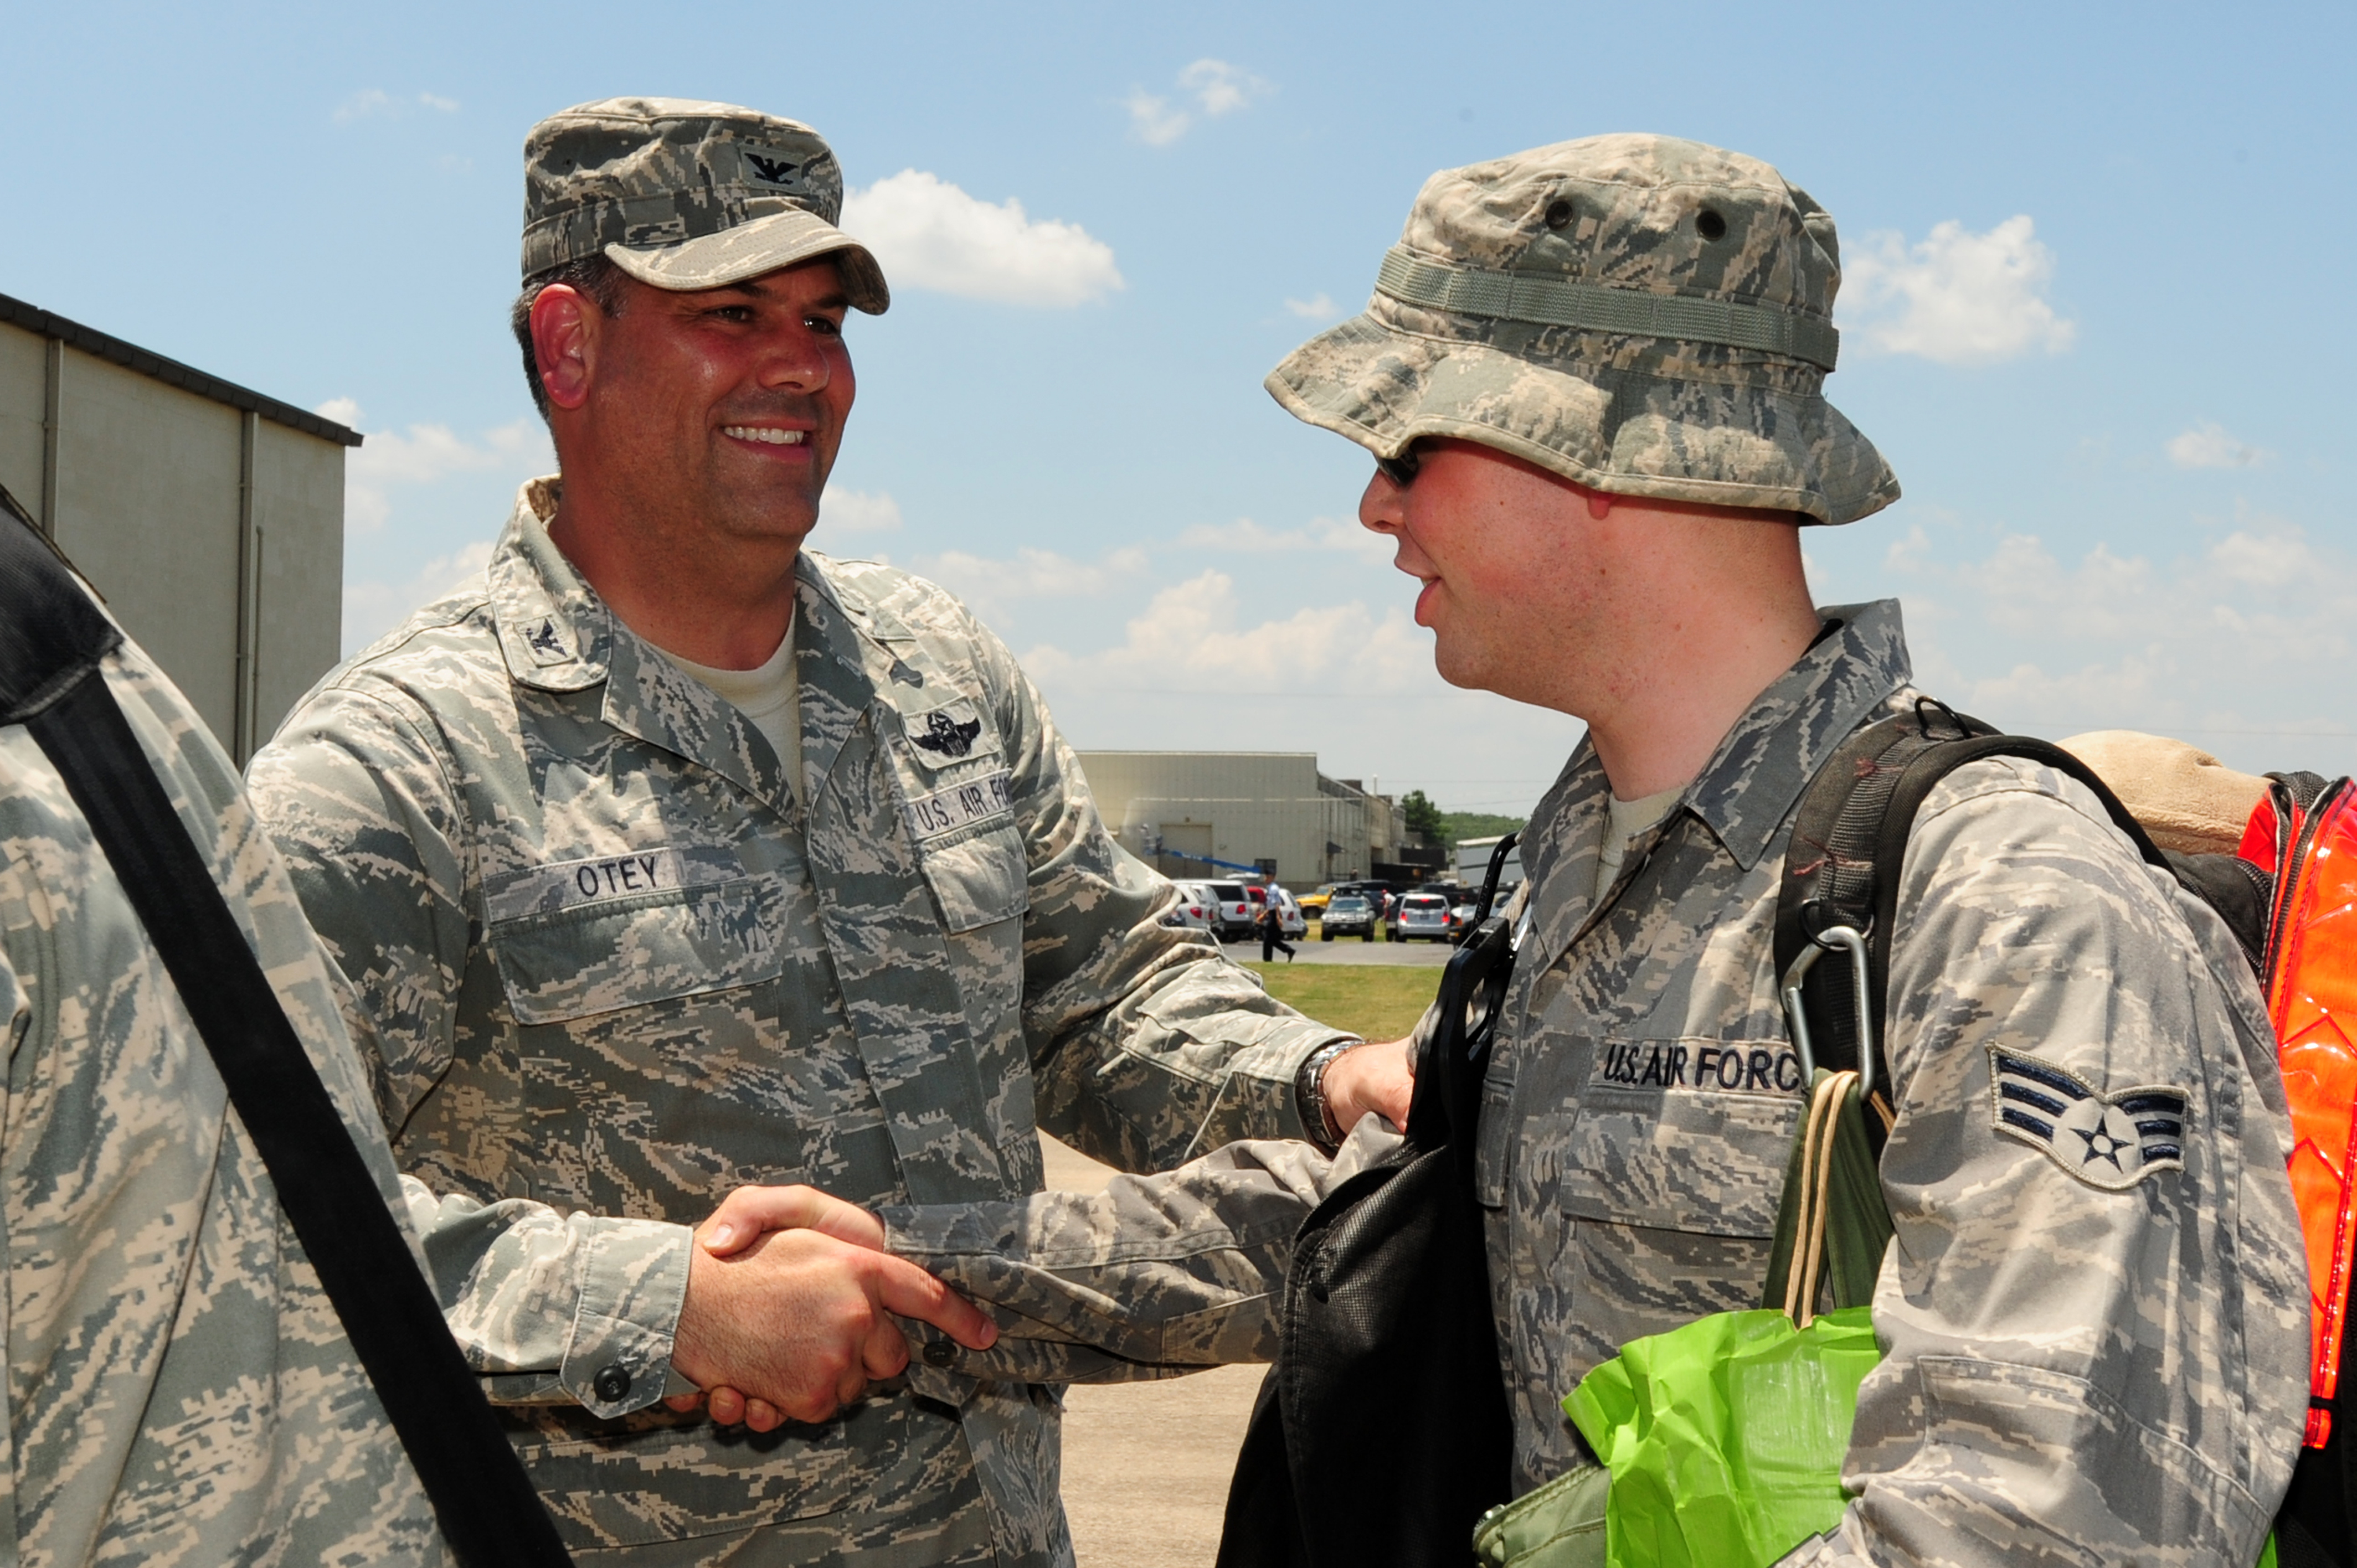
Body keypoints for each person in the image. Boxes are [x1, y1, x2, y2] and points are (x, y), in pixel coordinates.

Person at [754, 135, 2309, 1565]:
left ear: (1605, 454)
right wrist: (908, 1261)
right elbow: (1368, 1225)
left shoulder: (2008, 909)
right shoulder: (1569, 874)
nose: (1374, 504)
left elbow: (2054, 1517)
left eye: (1413, 445)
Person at [246, 97, 1406, 1567]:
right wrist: (660, 1308)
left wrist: (1321, 1074)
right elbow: (239, 1208)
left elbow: (1101, 996)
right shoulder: (401, 768)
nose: (799, 364)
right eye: (731, 312)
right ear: (567, 344)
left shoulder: (937, 672)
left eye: (823, 319)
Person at [1259, 895, 1295, 962]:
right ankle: (1289, 950)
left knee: (1268, 940)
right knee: (1273, 941)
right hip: (1271, 921)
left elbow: (1278, 912)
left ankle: (1267, 959)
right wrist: (1263, 916)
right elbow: (1268, 910)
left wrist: (1279, 921)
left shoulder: (1275, 902)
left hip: (1273, 923)